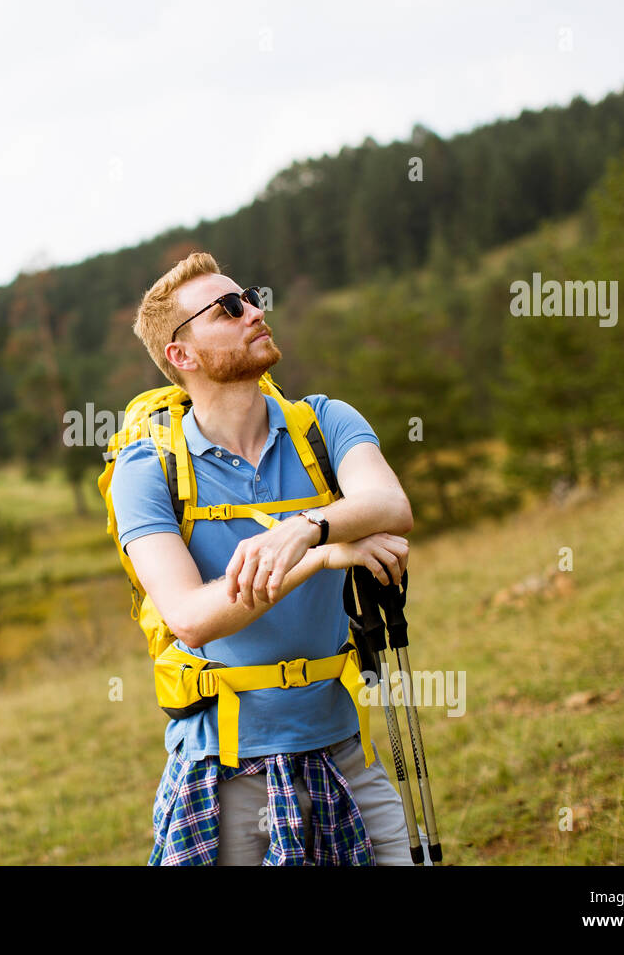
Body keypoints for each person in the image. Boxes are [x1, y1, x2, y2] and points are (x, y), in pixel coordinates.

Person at [110, 251, 415, 865]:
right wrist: (323, 557)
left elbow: (389, 503)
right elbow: (190, 617)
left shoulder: (325, 423)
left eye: (249, 296)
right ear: (182, 354)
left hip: (344, 755)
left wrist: (305, 529)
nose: (254, 311)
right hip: (227, 777)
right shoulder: (144, 471)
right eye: (228, 308)